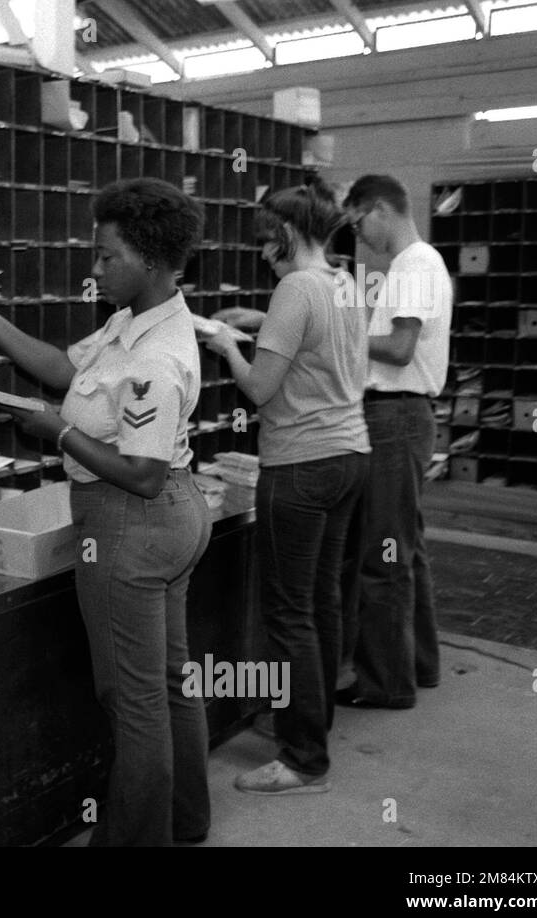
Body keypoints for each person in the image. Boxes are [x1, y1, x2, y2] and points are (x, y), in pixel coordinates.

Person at [0, 178, 211, 846]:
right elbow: (60, 367)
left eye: (107, 256)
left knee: (133, 700)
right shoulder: (133, 321)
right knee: (169, 680)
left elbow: (141, 473)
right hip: (172, 517)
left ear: (149, 258)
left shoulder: (155, 356)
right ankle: (186, 820)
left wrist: (60, 436)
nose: (95, 268)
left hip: (131, 522)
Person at [206, 180, 370, 795]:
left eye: (263, 237)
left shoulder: (294, 288)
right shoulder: (343, 281)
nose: (259, 249)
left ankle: (302, 759)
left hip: (300, 464)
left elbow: (259, 388)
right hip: (350, 454)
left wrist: (225, 343)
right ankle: (315, 726)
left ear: (288, 232)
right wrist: (258, 320)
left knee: (290, 614)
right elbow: (321, 349)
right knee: (323, 601)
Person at [337, 175, 452, 707]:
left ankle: (385, 684)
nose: (359, 236)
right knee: (408, 550)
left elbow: (400, 348)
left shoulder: (414, 264)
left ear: (378, 208)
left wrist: (338, 334)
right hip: (404, 417)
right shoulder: (414, 266)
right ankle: (418, 665)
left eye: (358, 222)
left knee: (383, 558)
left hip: (396, 417)